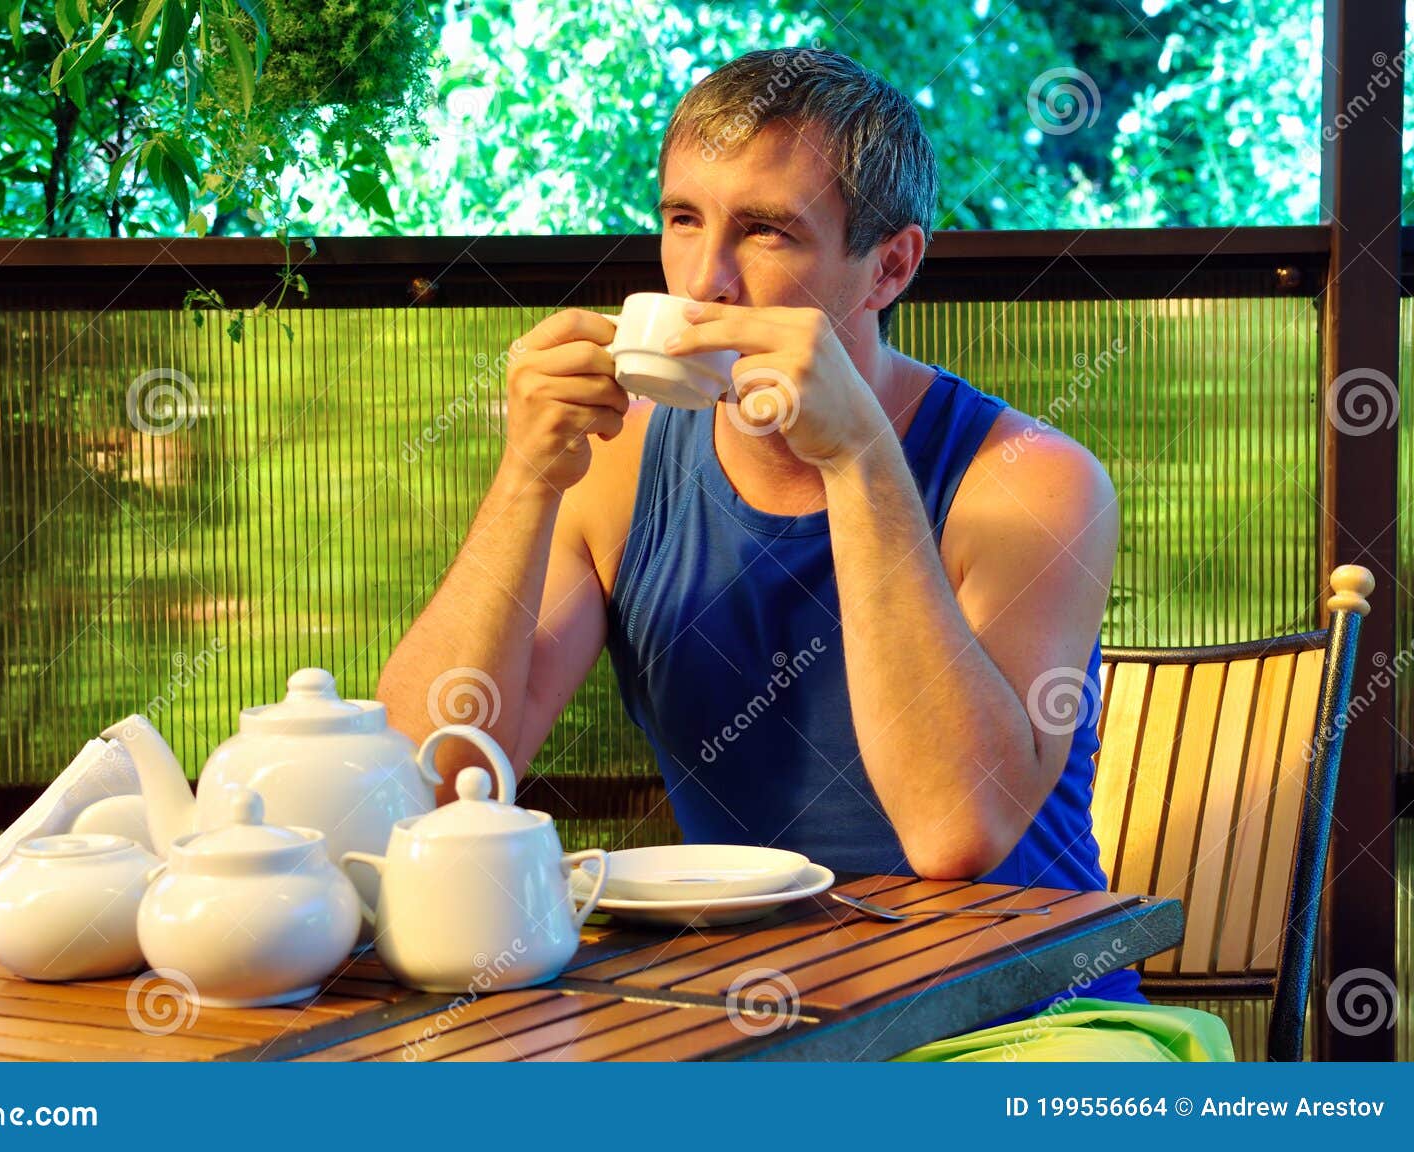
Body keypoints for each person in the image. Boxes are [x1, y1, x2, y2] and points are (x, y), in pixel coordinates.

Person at [377, 48, 1232, 1062]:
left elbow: (954, 834)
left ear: (890, 267)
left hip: (1019, 1022)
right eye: (682, 218)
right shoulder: (617, 470)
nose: (704, 280)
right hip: (738, 1008)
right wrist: (524, 480)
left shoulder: (1033, 482)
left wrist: (861, 457)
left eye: (766, 230)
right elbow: (422, 784)